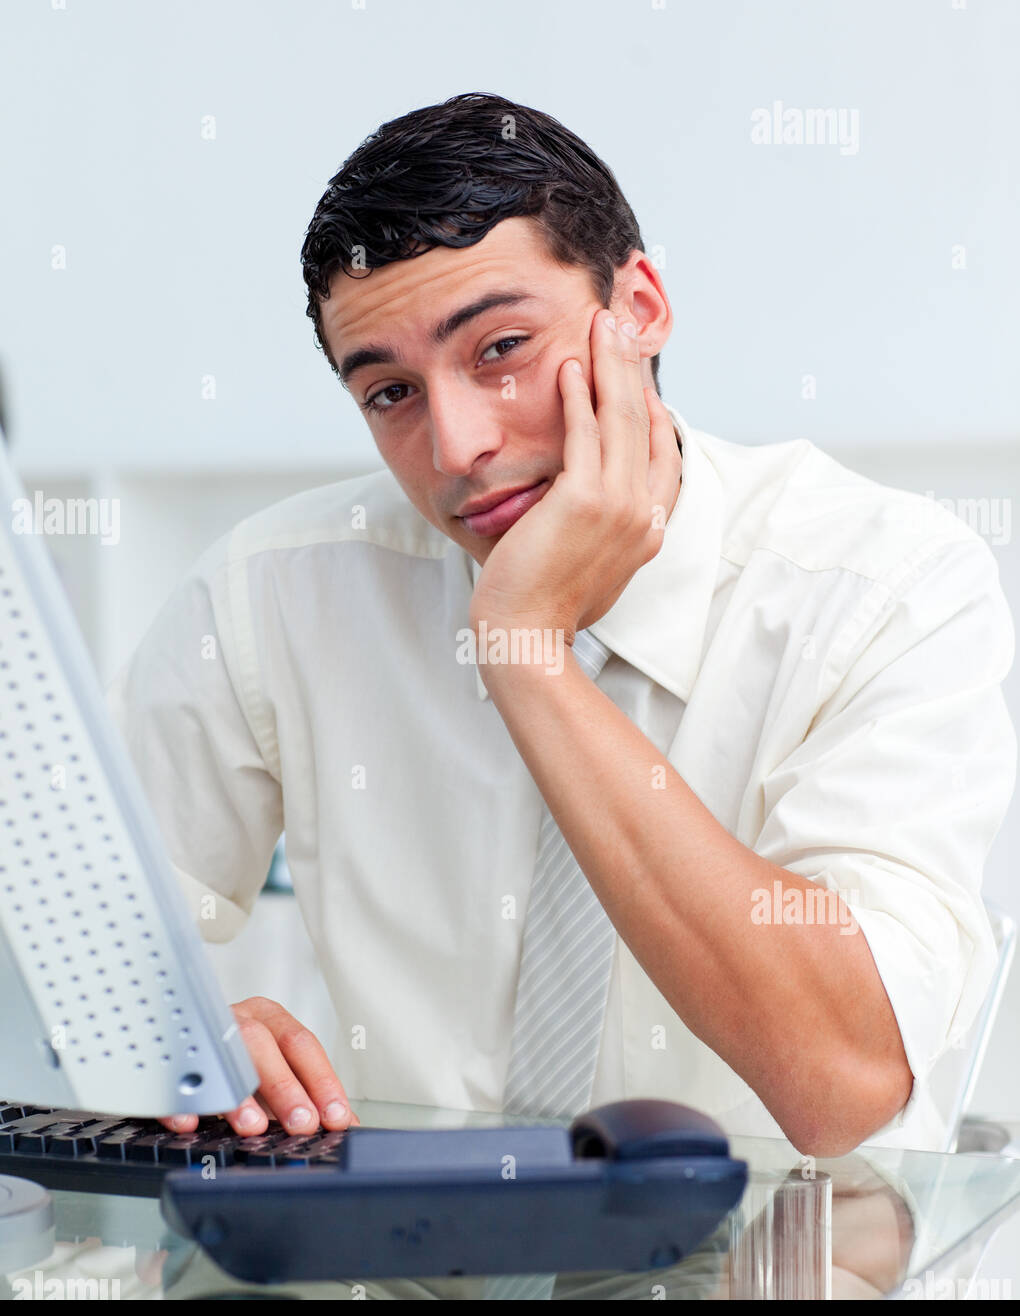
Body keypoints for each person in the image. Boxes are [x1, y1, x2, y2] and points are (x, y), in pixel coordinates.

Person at [107, 92, 1016, 1158]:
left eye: (499, 348)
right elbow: (91, 945)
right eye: (391, 391)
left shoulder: (885, 586)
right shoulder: (269, 593)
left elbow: (842, 1081)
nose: (455, 446)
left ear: (640, 307)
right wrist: (177, 1035)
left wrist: (529, 653)